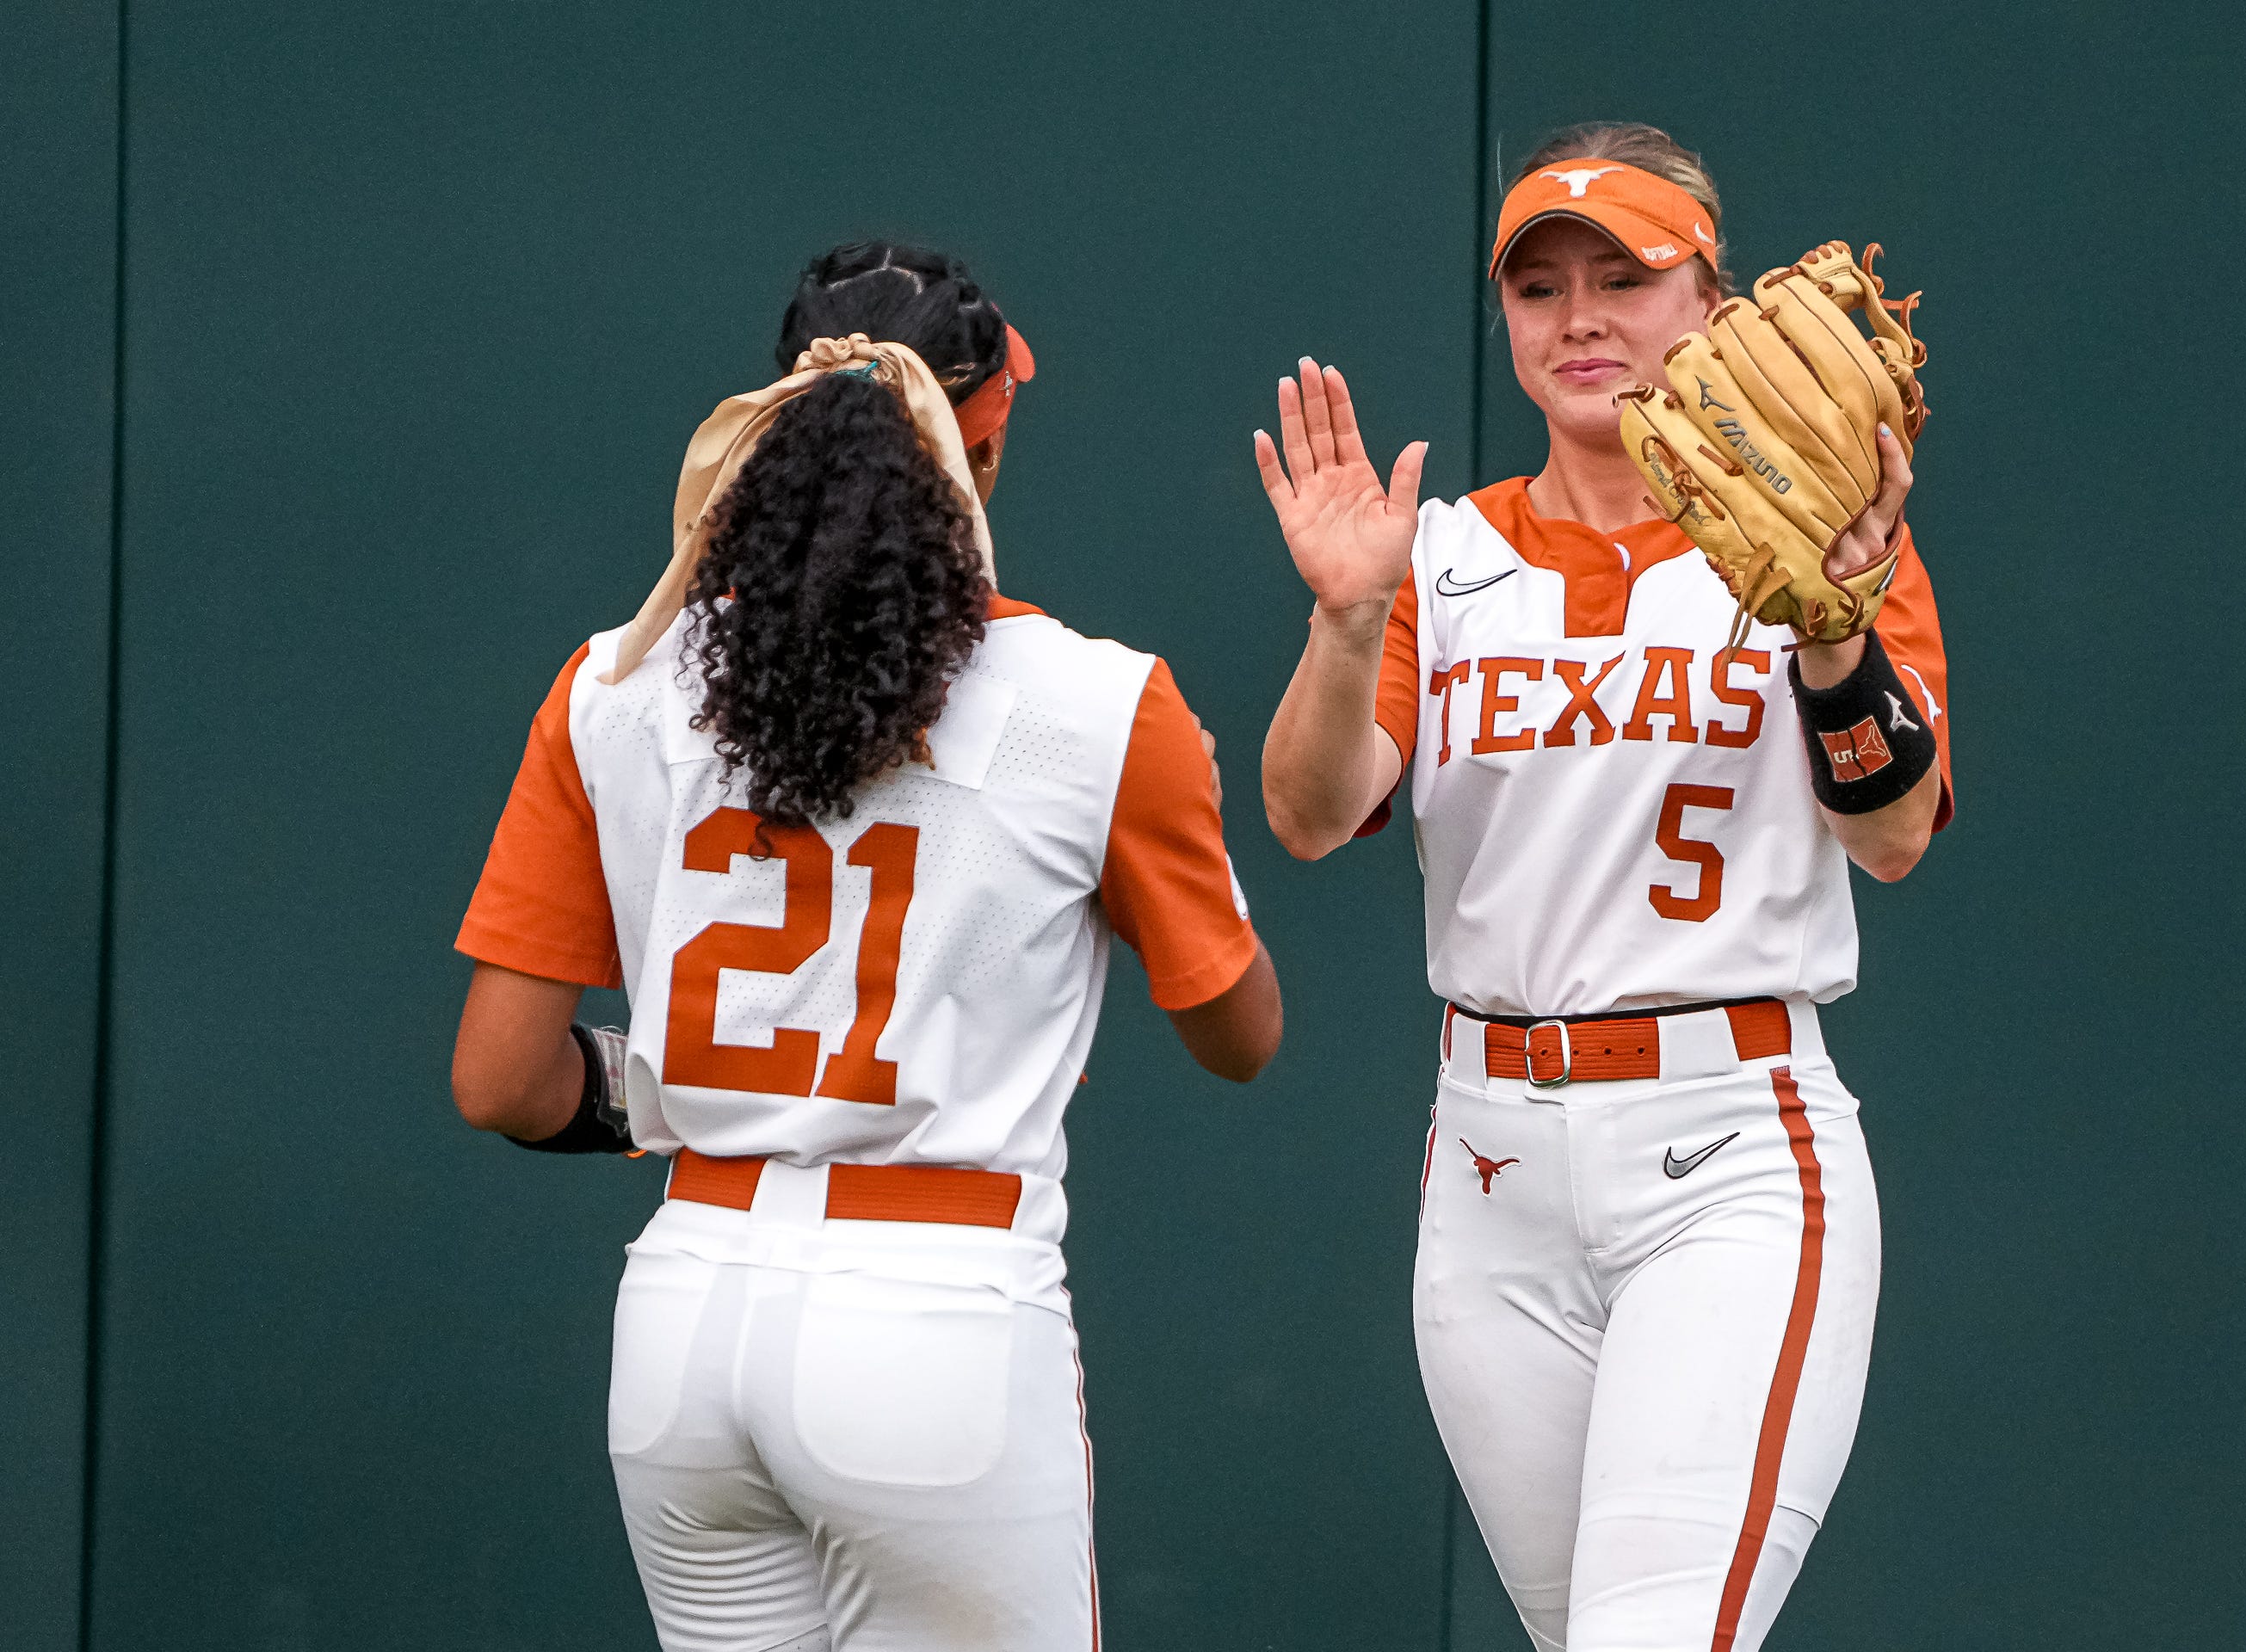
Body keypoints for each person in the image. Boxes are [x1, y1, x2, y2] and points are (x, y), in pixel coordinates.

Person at [449, 241, 1280, 1652]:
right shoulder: (1095, 702)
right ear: (990, 432)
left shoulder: (617, 680)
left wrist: (678, 1090)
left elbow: (504, 1083)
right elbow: (1236, 1035)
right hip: (938, 1314)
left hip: (686, 1312)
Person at [1254, 122, 1952, 1651]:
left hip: (1730, 1147)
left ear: (1713, 297)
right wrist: (1347, 622)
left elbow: (1895, 838)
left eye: (1626, 278)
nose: (1580, 318)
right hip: (1490, 1173)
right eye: (1542, 285)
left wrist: (1832, 633)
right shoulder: (1435, 556)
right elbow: (1310, 817)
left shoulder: (1828, 528)